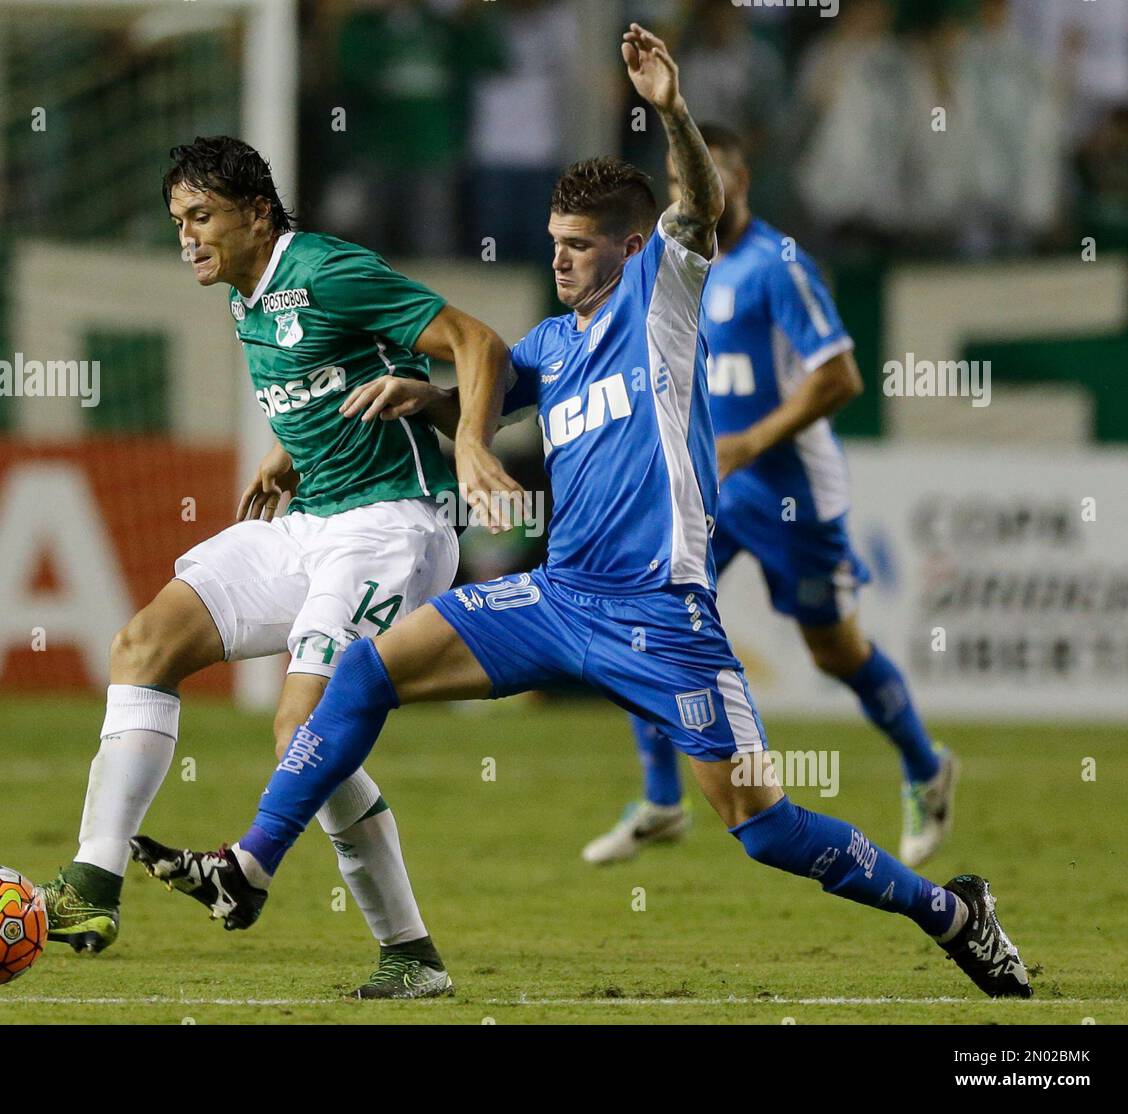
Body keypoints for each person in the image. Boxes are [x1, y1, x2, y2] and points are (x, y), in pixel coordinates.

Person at [137, 27, 1031, 1000]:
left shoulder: (664, 294)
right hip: (560, 596)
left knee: (761, 825)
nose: (557, 258)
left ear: (630, 246)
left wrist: (671, 110)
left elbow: (700, 201)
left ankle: (951, 912)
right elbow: (487, 383)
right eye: (552, 241)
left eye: (576, 245)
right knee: (360, 674)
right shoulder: (555, 344)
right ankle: (251, 865)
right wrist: (425, 401)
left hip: (661, 613)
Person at [38, 134, 518, 999]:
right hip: (311, 521)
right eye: (178, 220)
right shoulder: (245, 292)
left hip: (389, 527)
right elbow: (327, 373)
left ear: (257, 214)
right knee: (145, 644)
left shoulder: (328, 270)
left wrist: (473, 443)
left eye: (202, 217)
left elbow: (478, 342)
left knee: (302, 729)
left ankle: (408, 955)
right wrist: (287, 451)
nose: (187, 236)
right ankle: (91, 885)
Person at [582, 123, 956, 868]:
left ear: (740, 181)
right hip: (706, 488)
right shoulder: (662, 265)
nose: (703, 192)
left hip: (789, 490)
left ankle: (925, 764)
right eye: (689, 180)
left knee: (834, 649)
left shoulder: (776, 265)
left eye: (715, 178)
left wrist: (751, 443)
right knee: (644, 618)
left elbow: (840, 376)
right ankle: (662, 800)